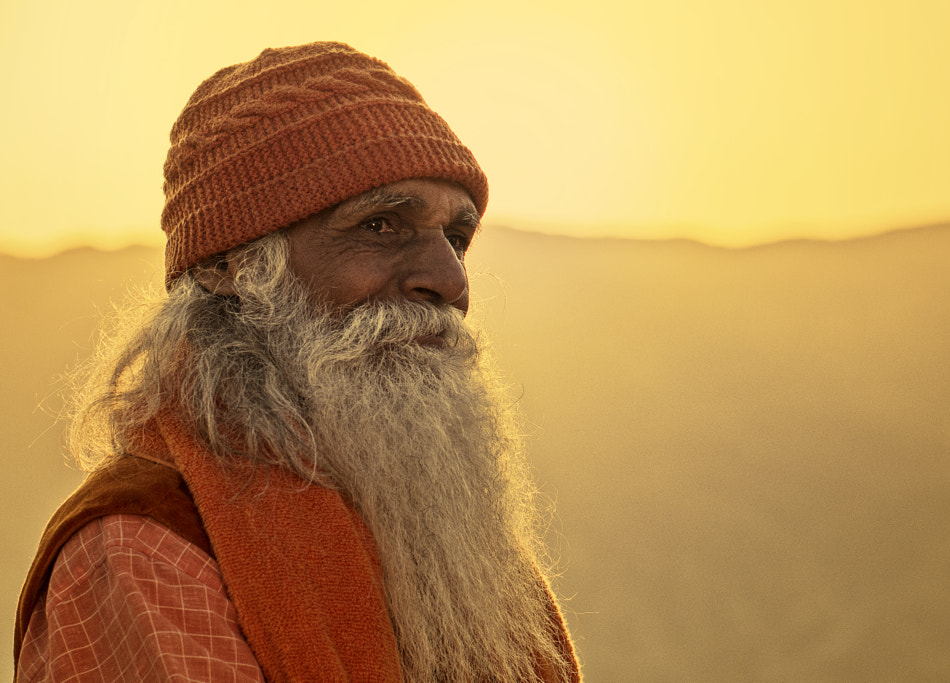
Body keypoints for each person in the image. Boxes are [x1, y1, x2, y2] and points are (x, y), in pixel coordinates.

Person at [14, 42, 580, 682]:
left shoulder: (438, 533)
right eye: (380, 226)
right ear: (229, 266)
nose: (451, 283)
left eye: (456, 237)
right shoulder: (147, 545)